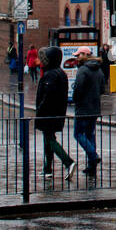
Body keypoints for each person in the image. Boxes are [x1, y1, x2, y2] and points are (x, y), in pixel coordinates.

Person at [34, 46, 75, 180]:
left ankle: (68, 161)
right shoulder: (60, 73)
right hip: (56, 112)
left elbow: (47, 96)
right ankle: (47, 169)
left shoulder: (51, 75)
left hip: (49, 113)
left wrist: (40, 109)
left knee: (50, 140)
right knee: (48, 139)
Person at [71, 50, 105, 175]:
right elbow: (102, 89)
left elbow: (78, 88)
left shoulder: (83, 70)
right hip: (95, 107)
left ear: (85, 55)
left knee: (78, 134)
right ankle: (92, 167)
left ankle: (93, 155)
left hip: (83, 108)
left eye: (78, 55)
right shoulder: (99, 69)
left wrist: (76, 99)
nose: (77, 57)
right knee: (90, 135)